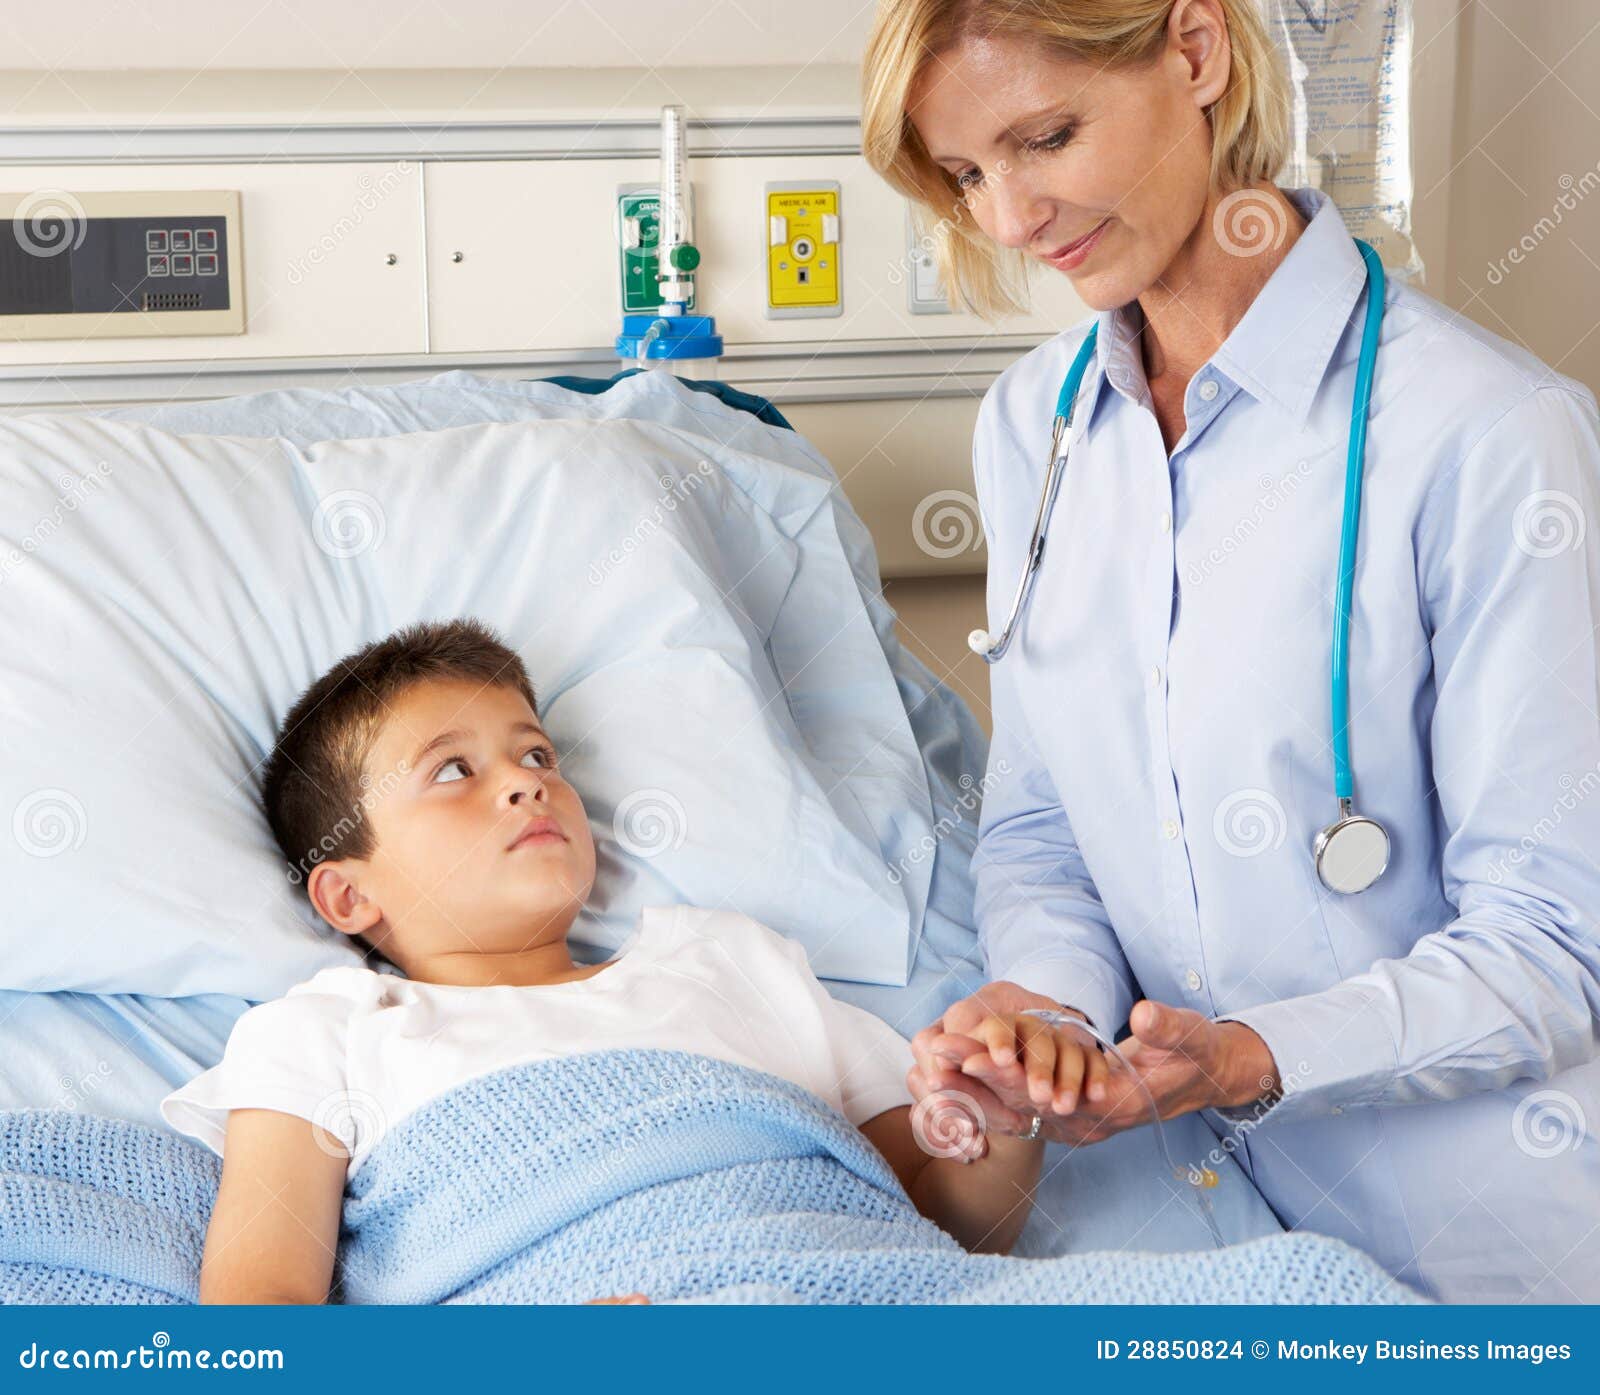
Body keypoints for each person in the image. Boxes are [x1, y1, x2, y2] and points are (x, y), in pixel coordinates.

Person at [862, 0, 1600, 1301]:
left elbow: (1557, 944)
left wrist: (1247, 1054)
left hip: (1494, 1253)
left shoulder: (1493, 438)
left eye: (1046, 137)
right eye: (969, 173)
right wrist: (1041, 1013)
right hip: (1195, 1240)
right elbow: (1044, 826)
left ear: (1195, 53)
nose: (1009, 218)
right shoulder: (1035, 426)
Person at [160, 620, 1082, 1303]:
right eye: (453, 770)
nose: (528, 779)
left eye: (537, 752)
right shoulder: (328, 1032)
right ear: (349, 896)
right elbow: (257, 1321)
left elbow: (952, 1228)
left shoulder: (730, 958)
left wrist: (998, 1120)